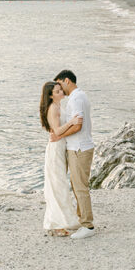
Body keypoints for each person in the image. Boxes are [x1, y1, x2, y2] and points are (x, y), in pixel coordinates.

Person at [51, 70, 95, 239]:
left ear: (67, 81)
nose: (60, 89)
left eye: (60, 85)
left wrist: (59, 135)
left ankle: (88, 226)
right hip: (79, 147)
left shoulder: (76, 98)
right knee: (77, 185)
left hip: (79, 148)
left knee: (80, 187)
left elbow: (77, 125)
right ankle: (81, 220)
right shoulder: (79, 96)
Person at [39, 81, 79, 236]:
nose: (61, 93)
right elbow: (57, 130)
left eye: (61, 90)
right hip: (56, 149)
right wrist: (72, 122)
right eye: (57, 92)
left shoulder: (58, 106)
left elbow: (57, 132)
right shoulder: (53, 108)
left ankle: (61, 221)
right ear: (50, 95)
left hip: (60, 146)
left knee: (59, 183)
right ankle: (57, 224)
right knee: (57, 184)